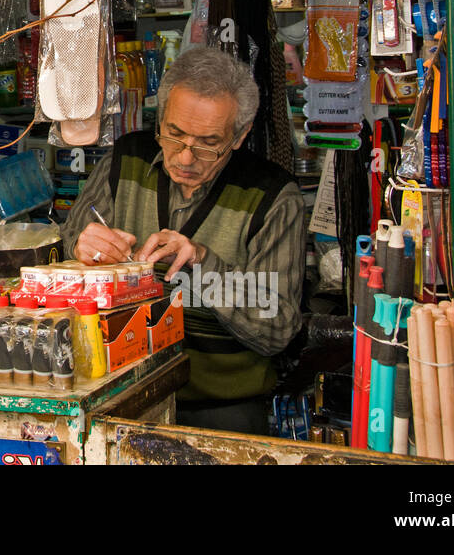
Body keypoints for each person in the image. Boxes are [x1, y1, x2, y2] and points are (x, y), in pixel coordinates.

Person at [62, 46, 305, 435]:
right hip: (119, 391)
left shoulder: (273, 197)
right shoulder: (126, 161)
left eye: (208, 143)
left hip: (219, 405)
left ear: (240, 135)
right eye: (174, 134)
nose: (186, 157)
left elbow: (277, 326)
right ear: (161, 119)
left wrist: (203, 266)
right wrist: (84, 244)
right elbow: (72, 234)